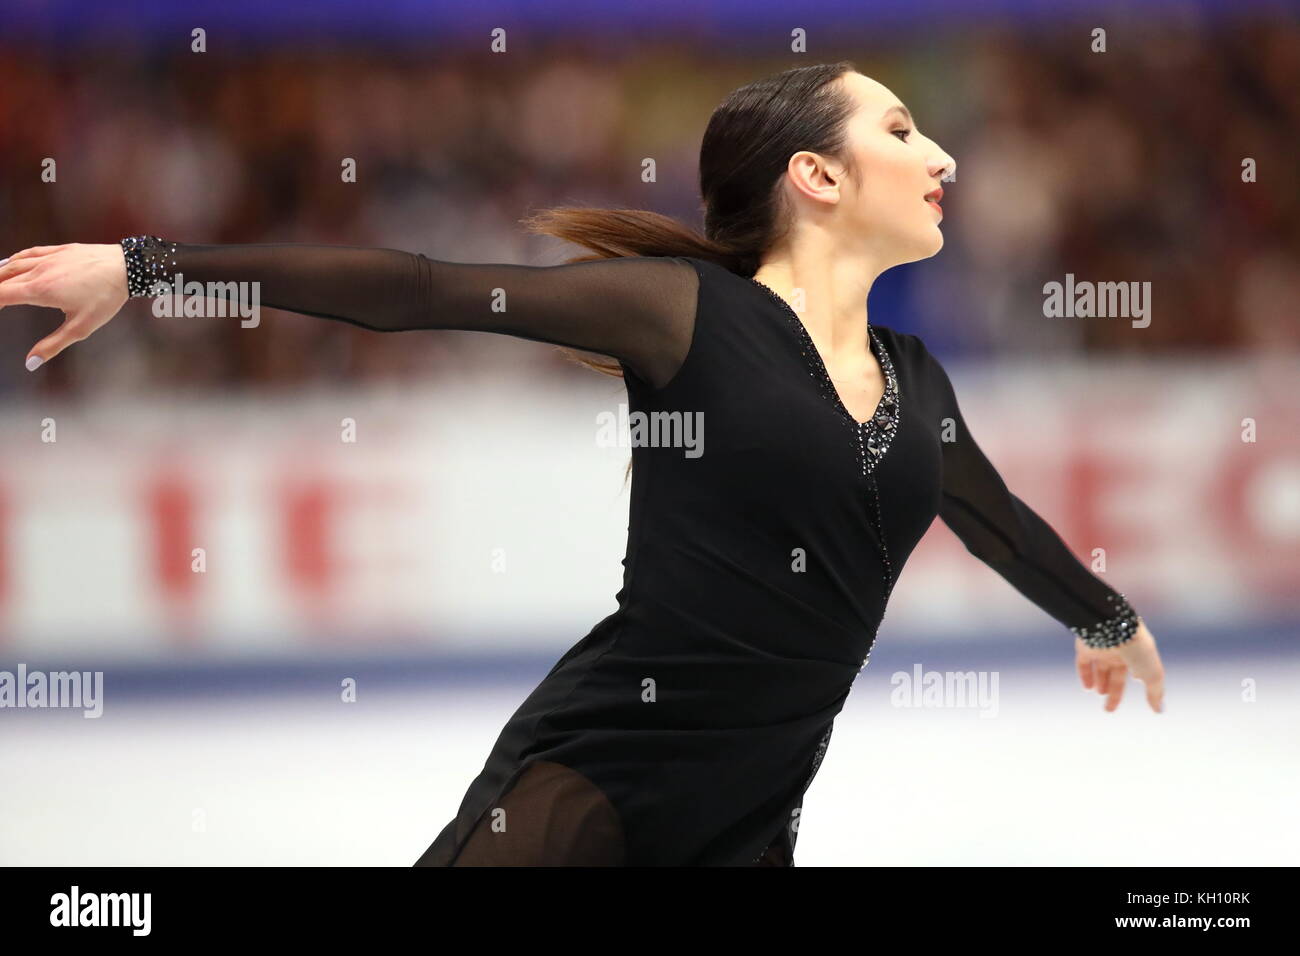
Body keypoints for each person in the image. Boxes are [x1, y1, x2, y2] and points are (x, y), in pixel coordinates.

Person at [0, 63, 1165, 866]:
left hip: (755, 818)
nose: (942, 154)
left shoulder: (918, 379)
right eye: (903, 131)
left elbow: (993, 516)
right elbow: (415, 290)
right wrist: (146, 265)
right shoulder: (684, 312)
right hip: (594, 778)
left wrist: (1103, 612)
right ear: (815, 176)